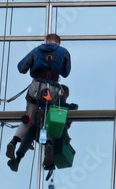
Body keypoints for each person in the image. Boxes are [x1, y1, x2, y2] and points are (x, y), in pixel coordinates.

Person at [6, 33, 71, 172]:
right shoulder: (64, 52)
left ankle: (13, 142)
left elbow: (21, 67)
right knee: (49, 119)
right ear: (58, 43)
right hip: (52, 90)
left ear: (46, 41)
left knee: (28, 118)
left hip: (35, 88)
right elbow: (66, 72)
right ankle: (48, 143)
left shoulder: (37, 50)